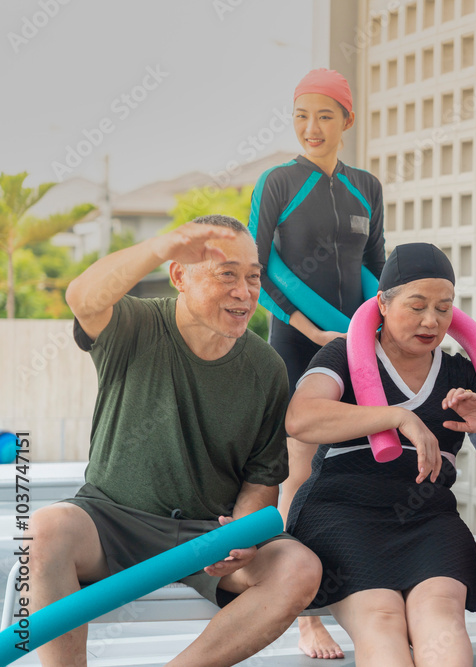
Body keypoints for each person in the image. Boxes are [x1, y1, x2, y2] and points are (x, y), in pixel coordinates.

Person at [30, 215, 322, 666]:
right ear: (179, 276)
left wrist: (242, 536)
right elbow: (81, 296)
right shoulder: (134, 325)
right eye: (227, 275)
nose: (244, 292)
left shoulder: (267, 368)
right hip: (111, 520)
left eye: (252, 277)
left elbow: (261, 480)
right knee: (45, 530)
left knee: (299, 567)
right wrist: (161, 244)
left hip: (207, 536)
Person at [284, 242, 476, 667]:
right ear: (383, 304)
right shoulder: (344, 356)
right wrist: (397, 417)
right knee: (381, 618)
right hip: (342, 512)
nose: (431, 320)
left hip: (427, 519)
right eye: (417, 307)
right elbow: (300, 417)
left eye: (443, 308)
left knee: (440, 617)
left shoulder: (462, 372)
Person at [249, 68, 386, 659]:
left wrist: (378, 328)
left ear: (346, 120)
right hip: (299, 342)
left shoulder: (366, 187)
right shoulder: (278, 182)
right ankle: (306, 615)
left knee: (360, 469)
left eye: (325, 115)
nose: (311, 127)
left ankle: (364, 593)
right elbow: (256, 269)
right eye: (302, 115)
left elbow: (376, 269)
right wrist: (313, 329)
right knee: (300, 473)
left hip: (355, 342)